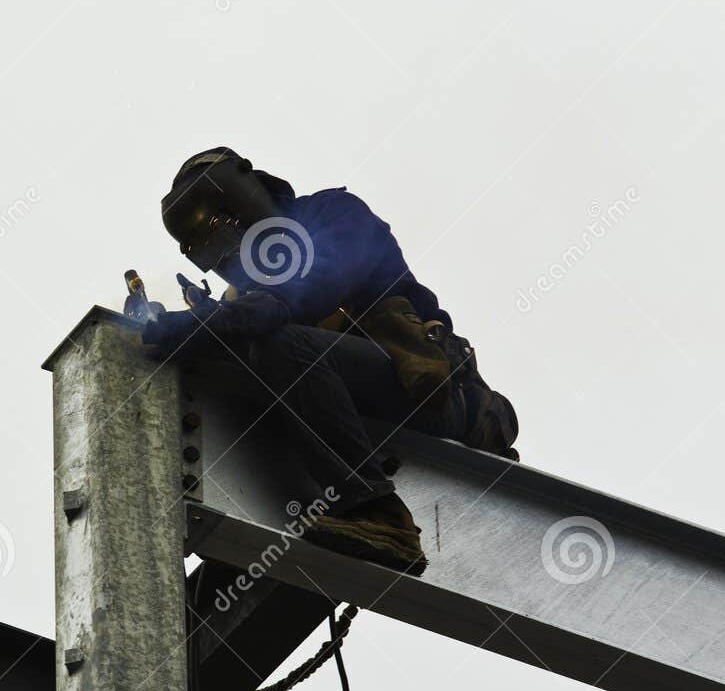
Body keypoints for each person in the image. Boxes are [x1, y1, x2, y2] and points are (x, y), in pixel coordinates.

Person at [143, 147, 519, 575]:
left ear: (244, 198)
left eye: (221, 226)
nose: (222, 248)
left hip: (429, 398)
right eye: (205, 245)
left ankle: (380, 517)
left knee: (276, 345)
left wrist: (207, 325)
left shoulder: (334, 217)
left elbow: (294, 296)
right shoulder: (244, 299)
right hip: (357, 409)